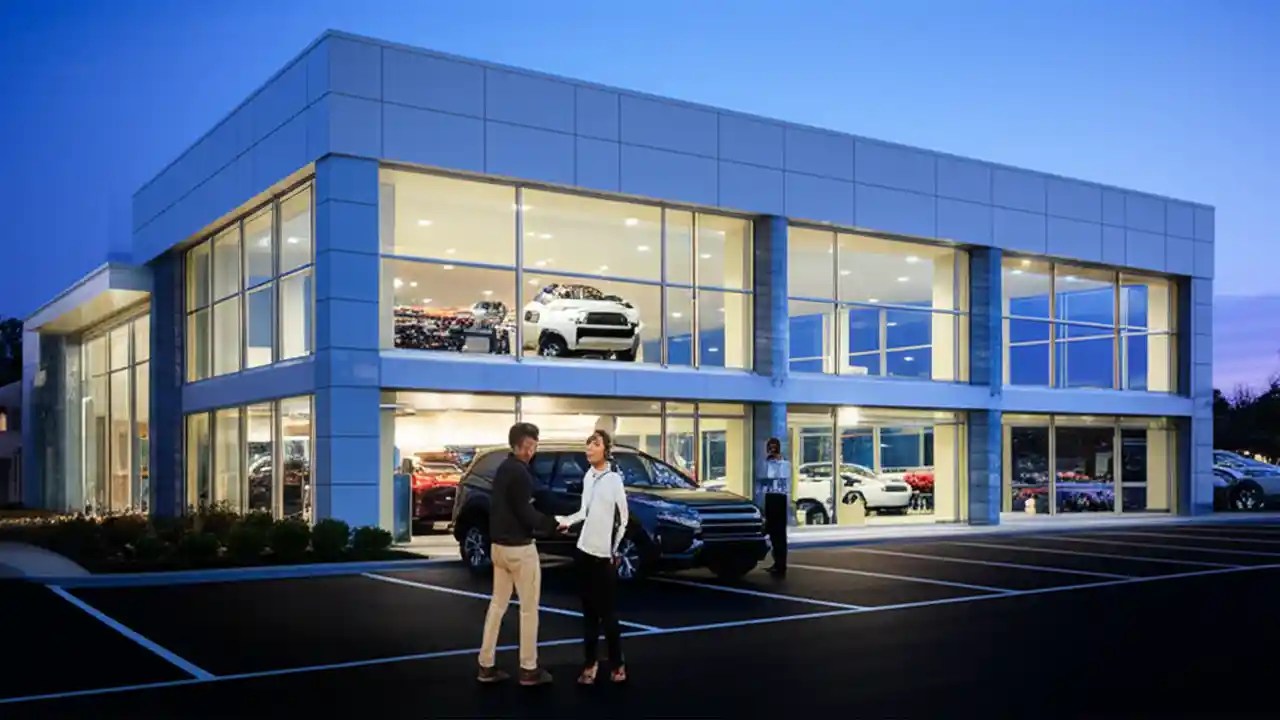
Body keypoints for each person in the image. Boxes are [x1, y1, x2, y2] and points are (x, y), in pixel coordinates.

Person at [477, 422, 563, 686]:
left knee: (497, 605)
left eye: (533, 446)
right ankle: (529, 668)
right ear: (517, 446)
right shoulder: (521, 474)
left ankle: (486, 665)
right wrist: (552, 524)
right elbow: (526, 513)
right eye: (528, 446)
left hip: (498, 548)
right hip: (520, 549)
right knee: (528, 610)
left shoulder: (503, 468)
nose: (530, 451)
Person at [556, 429, 630, 685]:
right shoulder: (589, 476)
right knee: (588, 614)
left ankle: (617, 664)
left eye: (595, 444)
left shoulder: (614, 480)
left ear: (605, 450)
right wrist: (566, 521)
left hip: (603, 556)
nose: (589, 448)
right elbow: (584, 511)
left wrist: (615, 550)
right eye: (588, 444)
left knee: (608, 615)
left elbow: (623, 519)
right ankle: (590, 663)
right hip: (584, 551)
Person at [757, 437, 791, 576]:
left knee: (778, 534)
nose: (772, 450)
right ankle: (778, 562)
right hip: (773, 497)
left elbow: (772, 478)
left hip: (778, 498)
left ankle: (780, 564)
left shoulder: (781, 463)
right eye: (770, 447)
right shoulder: (770, 462)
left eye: (773, 447)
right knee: (775, 533)